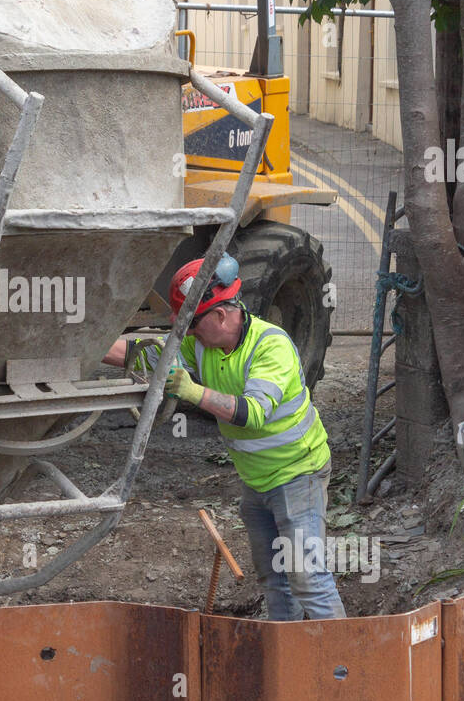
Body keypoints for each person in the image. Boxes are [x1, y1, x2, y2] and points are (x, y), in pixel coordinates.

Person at [104, 255, 345, 621]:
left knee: (309, 579)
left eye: (192, 324)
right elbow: (152, 355)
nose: (187, 334)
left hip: (299, 477)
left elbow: (252, 413)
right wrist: (88, 346)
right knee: (274, 579)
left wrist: (191, 391)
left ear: (219, 315)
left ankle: (343, 672)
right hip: (257, 483)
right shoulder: (204, 343)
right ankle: (283, 662)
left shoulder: (270, 346)